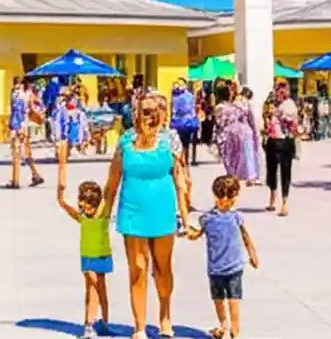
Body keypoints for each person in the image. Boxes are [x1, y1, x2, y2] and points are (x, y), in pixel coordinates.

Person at [102, 92, 188, 339]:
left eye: (155, 111)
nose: (151, 116)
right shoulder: (125, 141)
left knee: (162, 268)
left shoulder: (170, 139)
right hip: (132, 211)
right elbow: (112, 181)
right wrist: (102, 216)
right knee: (138, 269)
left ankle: (165, 315)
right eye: (145, 111)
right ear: (136, 113)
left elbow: (181, 179)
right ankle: (139, 326)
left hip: (162, 210)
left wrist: (186, 218)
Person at [186, 176, 259, 339]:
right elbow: (197, 233)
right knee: (219, 299)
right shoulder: (207, 219)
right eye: (222, 196)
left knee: (233, 300)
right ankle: (225, 327)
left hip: (233, 267)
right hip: (215, 268)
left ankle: (235, 331)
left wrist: (252, 254)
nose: (225, 200)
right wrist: (190, 233)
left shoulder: (235, 217)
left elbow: (245, 236)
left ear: (234, 197)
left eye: (229, 196)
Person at [57, 177, 112, 339]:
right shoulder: (82, 217)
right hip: (87, 257)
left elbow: (110, 193)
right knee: (91, 288)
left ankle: (104, 321)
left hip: (102, 256)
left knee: (101, 289)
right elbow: (65, 206)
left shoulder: (103, 214)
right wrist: (60, 195)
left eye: (87, 207)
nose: (83, 210)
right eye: (81, 206)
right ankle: (89, 324)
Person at [262, 90, 299, 216]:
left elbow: (292, 122)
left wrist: (280, 115)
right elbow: (267, 124)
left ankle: (284, 203)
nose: (277, 97)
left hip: (285, 141)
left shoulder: (290, 105)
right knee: (272, 171)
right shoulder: (271, 106)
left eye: (279, 94)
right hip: (273, 141)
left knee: (285, 172)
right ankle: (272, 198)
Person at [215, 88, 260, 186]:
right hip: (243, 131)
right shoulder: (242, 105)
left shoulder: (223, 106)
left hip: (227, 134)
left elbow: (219, 123)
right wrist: (254, 131)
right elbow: (250, 118)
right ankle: (249, 176)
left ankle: (233, 175)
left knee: (231, 156)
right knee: (245, 155)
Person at [7, 79, 45, 189]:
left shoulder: (16, 94)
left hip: (18, 126)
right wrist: (38, 112)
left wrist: (14, 127)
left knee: (16, 153)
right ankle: (35, 175)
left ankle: (15, 181)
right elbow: (40, 105)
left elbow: (16, 113)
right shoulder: (28, 94)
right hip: (24, 126)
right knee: (26, 153)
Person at [170, 80, 200, 166]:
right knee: (185, 144)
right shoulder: (190, 96)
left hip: (177, 123)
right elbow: (193, 110)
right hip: (188, 123)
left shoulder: (175, 97)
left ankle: (179, 162)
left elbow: (173, 110)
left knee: (177, 144)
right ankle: (185, 162)